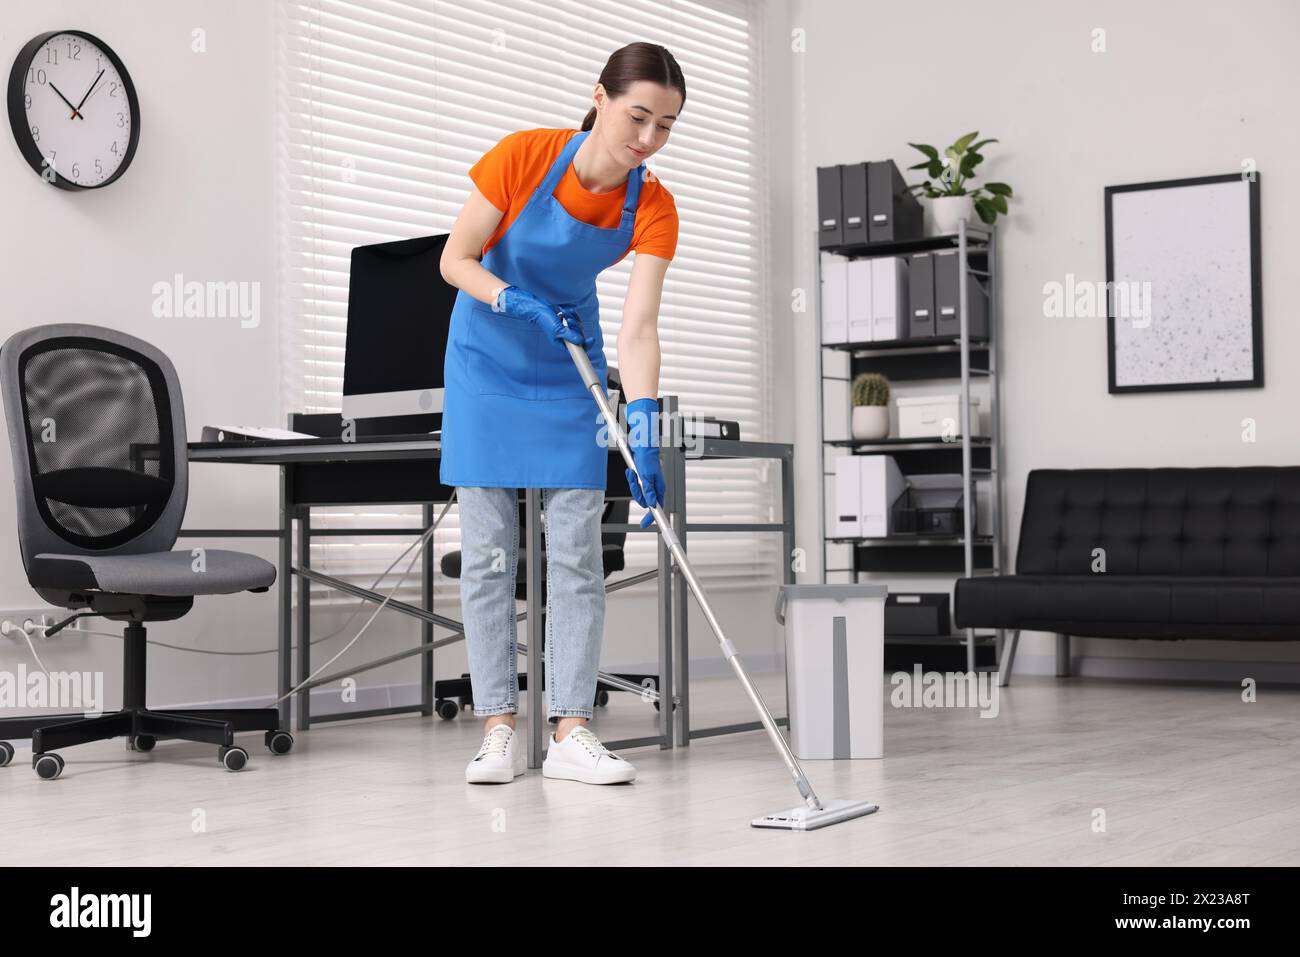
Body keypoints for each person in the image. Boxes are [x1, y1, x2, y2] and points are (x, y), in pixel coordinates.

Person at [438, 42, 685, 785]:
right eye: (637, 115)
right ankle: (496, 727)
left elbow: (639, 328)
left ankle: (571, 728)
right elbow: (455, 258)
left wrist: (642, 424)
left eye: (665, 126)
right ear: (601, 98)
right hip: (485, 358)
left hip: (568, 359)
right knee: (487, 554)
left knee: (575, 552)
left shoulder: (653, 205)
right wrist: (511, 298)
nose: (646, 139)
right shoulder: (523, 156)